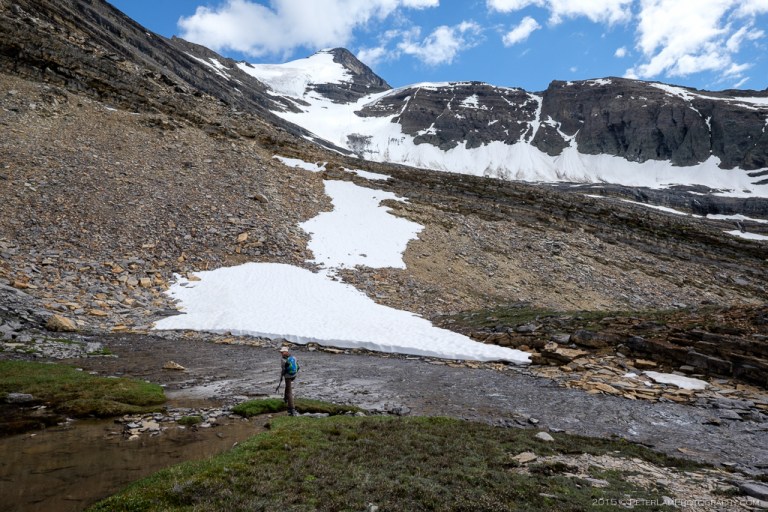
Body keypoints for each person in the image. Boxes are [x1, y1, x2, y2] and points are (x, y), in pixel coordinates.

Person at [279, 346, 299, 416]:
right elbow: (298, 366)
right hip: (294, 375)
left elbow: (283, 369)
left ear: (286, 352)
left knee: (289, 392)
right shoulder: (294, 357)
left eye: (282, 352)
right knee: (288, 387)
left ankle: (292, 409)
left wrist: (282, 376)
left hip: (288, 376)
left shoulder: (283, 359)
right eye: (281, 352)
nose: (281, 353)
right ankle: (285, 399)